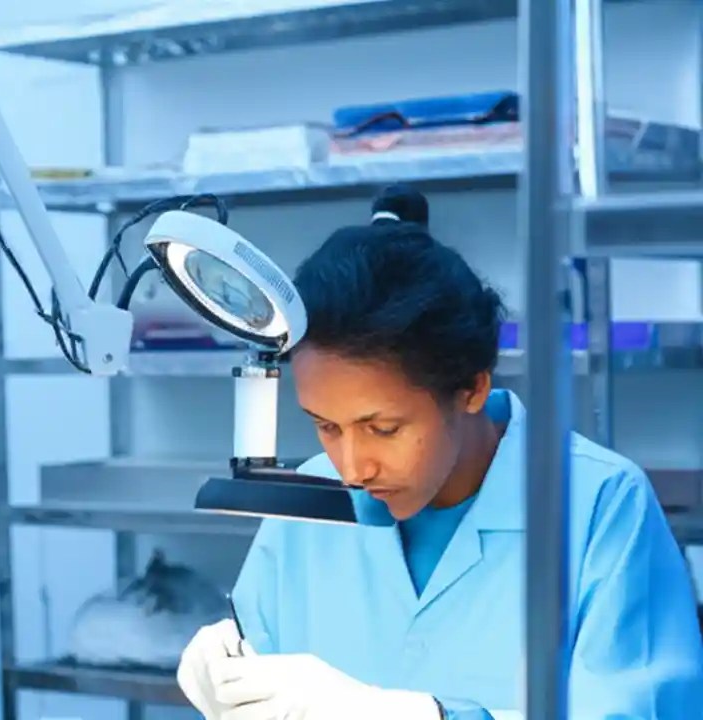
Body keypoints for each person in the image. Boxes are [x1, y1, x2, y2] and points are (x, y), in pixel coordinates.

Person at [177, 187, 703, 719]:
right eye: (326, 426)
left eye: (382, 428)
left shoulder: (600, 505)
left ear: (471, 389)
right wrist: (225, 672)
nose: (353, 469)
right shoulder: (308, 506)